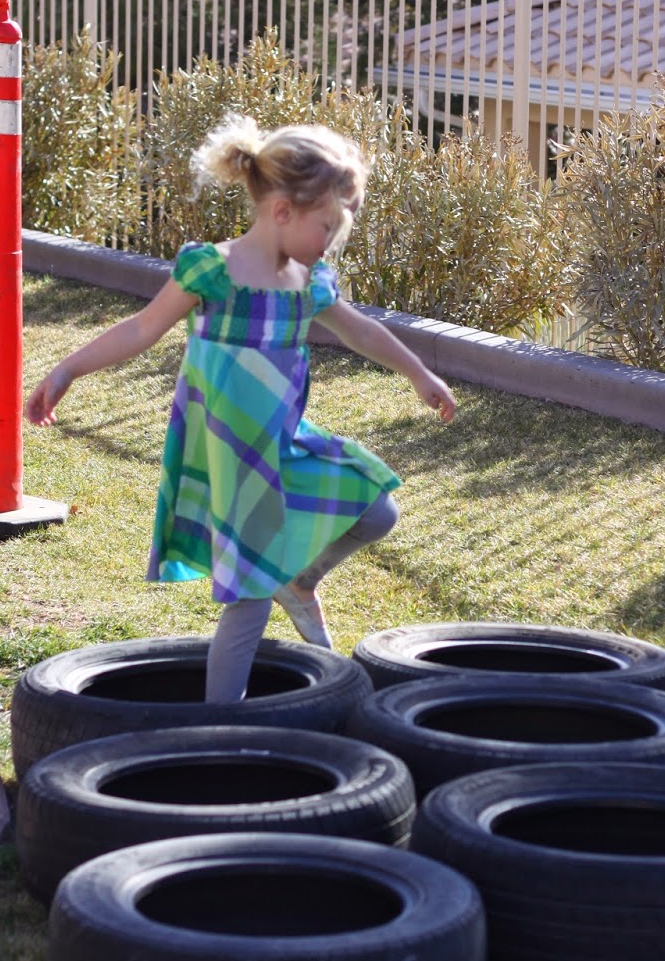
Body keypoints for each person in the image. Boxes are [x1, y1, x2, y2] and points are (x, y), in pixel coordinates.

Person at [25, 117, 456, 702]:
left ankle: (301, 579)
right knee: (249, 600)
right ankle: (218, 723)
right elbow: (142, 328)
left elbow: (364, 332)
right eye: (327, 224)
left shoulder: (307, 280)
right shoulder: (211, 271)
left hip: (282, 444)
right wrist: (68, 367)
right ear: (283, 211)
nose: (332, 239)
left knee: (376, 510)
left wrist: (419, 372)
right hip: (232, 459)